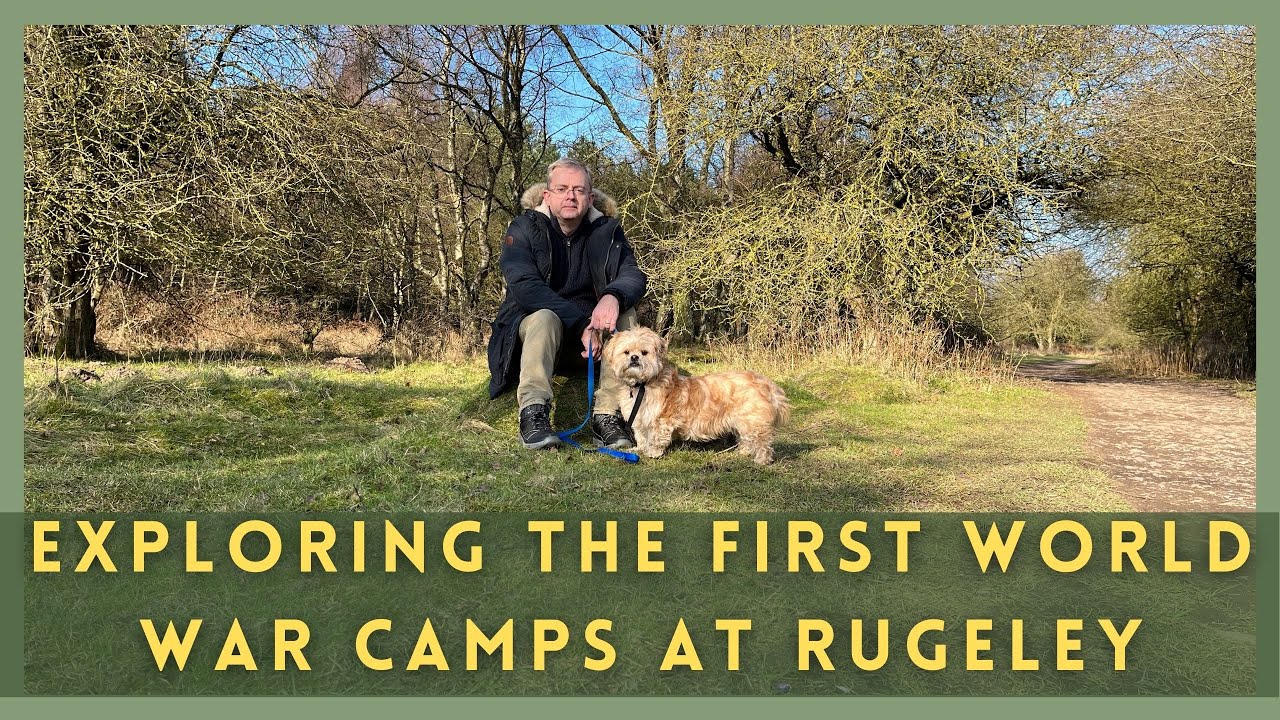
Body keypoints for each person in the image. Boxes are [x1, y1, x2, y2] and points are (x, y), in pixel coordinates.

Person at [486, 158, 648, 450]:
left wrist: (613, 296)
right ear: (547, 195)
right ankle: (533, 411)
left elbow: (632, 275)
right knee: (545, 316)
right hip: (540, 340)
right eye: (562, 189)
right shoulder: (523, 228)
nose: (570, 196)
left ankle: (608, 415)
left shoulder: (608, 230)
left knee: (625, 312)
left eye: (578, 189)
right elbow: (524, 286)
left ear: (590, 197)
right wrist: (580, 325)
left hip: (594, 347)